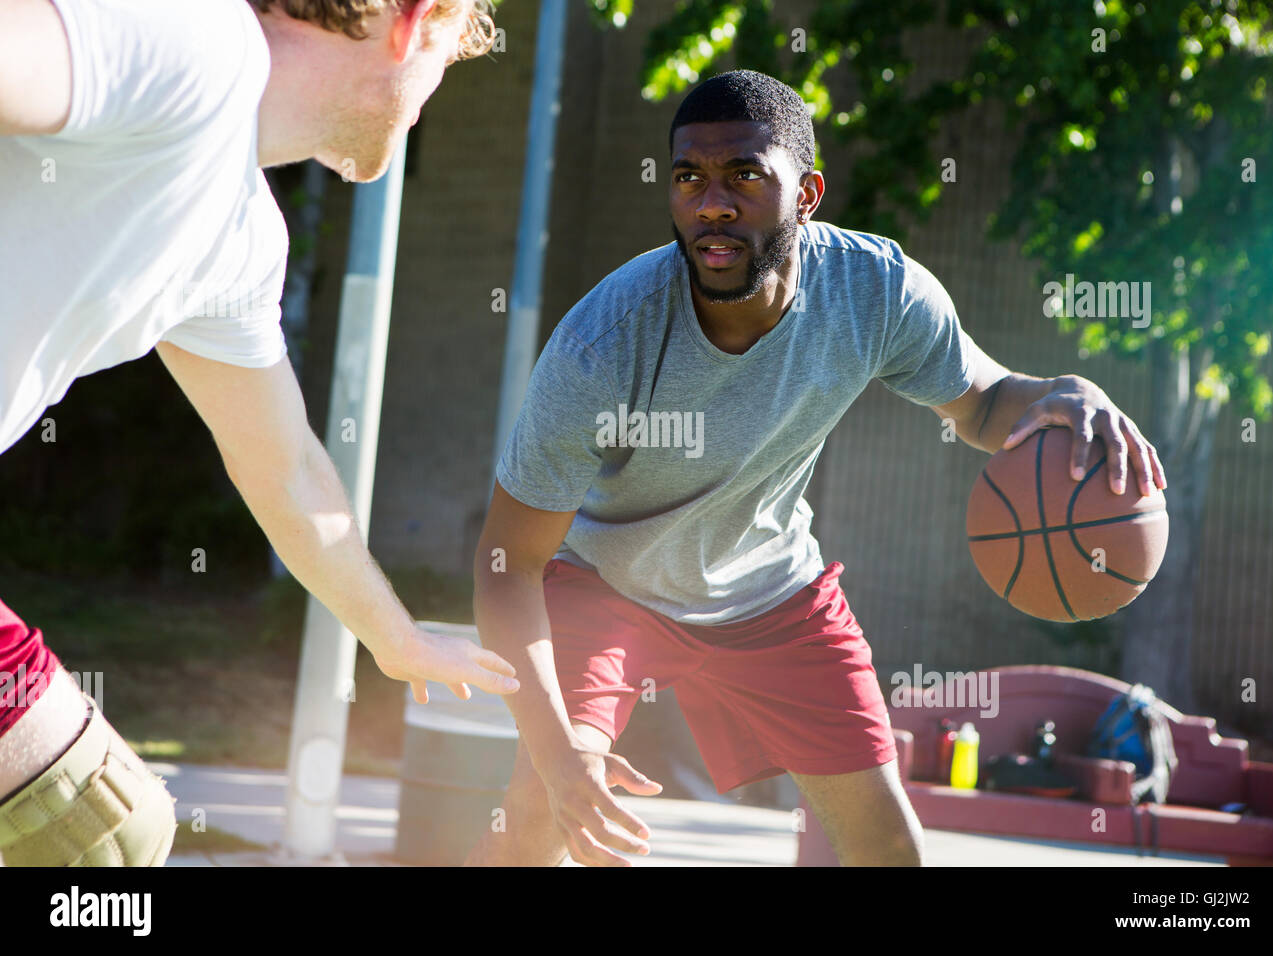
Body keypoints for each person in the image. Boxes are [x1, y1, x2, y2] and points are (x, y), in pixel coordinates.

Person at [465, 69, 1167, 867]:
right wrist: (563, 762)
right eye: (688, 177)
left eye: (745, 175)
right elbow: (506, 565)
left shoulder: (877, 291)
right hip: (607, 582)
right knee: (538, 809)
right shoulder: (602, 345)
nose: (712, 203)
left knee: (883, 835)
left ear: (807, 194)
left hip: (772, 589)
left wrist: (1065, 391)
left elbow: (985, 406)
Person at [0, 0, 518, 867]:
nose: (430, 103)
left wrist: (396, 638)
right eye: (443, 67)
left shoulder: (238, 239)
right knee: (96, 832)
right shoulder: (193, 42)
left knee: (101, 839)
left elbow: (286, 471)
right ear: (413, 22)